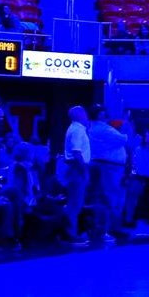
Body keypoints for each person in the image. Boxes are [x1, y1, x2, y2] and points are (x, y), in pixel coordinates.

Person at [87, 114, 129, 245]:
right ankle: (107, 230)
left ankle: (109, 229)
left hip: (110, 167)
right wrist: (126, 129)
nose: (107, 116)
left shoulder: (100, 128)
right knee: (110, 199)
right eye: (104, 114)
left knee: (110, 199)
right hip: (109, 167)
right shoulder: (101, 128)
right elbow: (123, 139)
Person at [61, 105, 92, 244]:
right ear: (79, 115)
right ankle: (70, 233)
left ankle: (71, 232)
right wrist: (84, 169)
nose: (86, 114)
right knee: (74, 203)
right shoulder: (77, 130)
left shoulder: (77, 129)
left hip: (76, 167)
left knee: (76, 202)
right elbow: (76, 152)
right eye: (84, 112)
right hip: (77, 168)